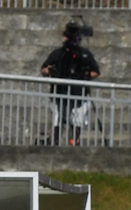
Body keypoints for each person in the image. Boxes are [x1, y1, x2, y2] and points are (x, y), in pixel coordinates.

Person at [41, 18, 100, 146]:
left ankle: (75, 143)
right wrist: (49, 71)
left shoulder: (84, 54)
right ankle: (56, 142)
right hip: (59, 94)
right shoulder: (58, 54)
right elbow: (43, 69)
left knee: (77, 121)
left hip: (79, 95)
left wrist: (85, 75)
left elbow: (95, 71)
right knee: (57, 120)